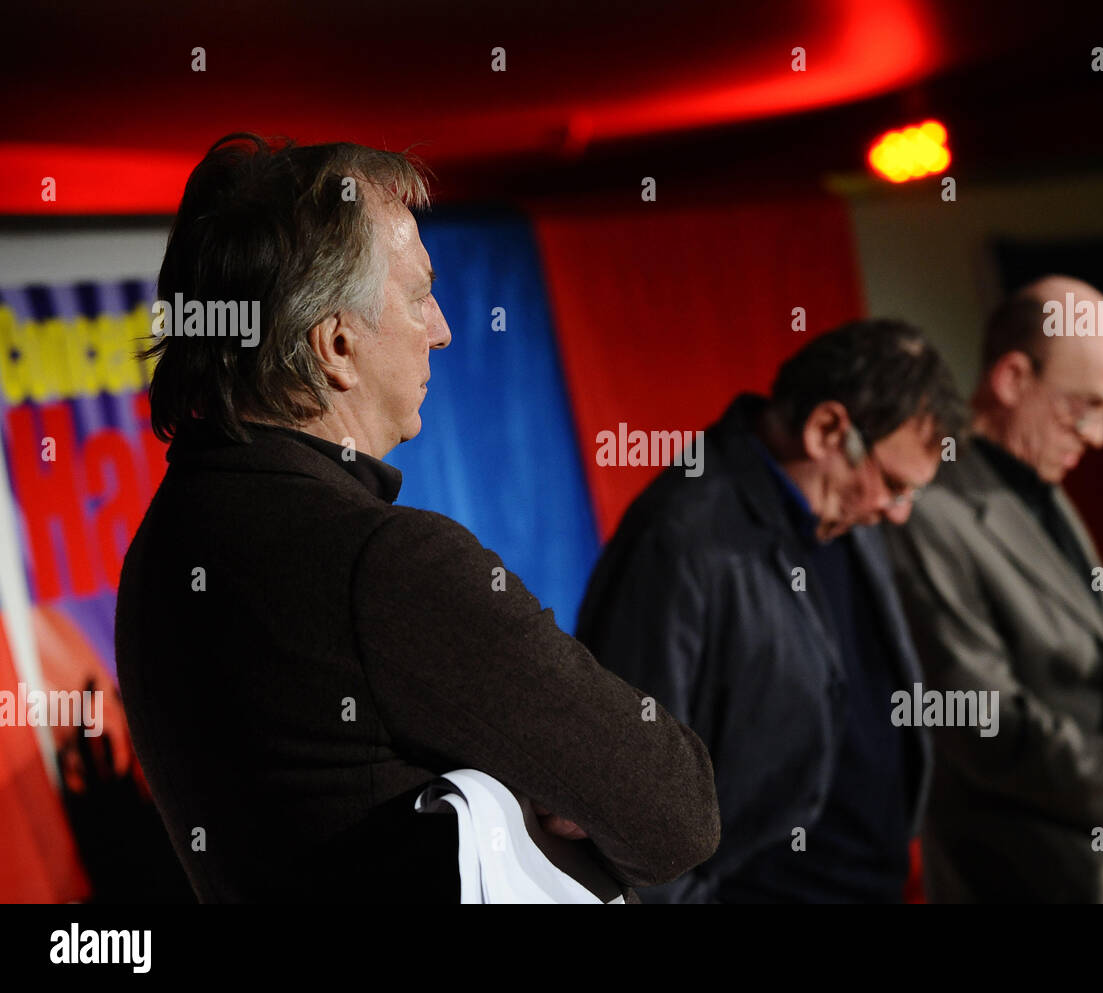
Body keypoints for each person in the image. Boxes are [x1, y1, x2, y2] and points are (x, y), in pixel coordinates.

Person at [114, 133, 719, 903]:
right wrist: (531, 800)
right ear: (337, 345)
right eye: (418, 294)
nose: (441, 328)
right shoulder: (382, 565)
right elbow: (675, 810)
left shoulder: (165, 544)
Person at [577, 320, 966, 902]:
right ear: (827, 430)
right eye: (892, 484)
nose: (898, 511)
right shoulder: (681, 535)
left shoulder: (840, 504)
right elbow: (627, 787)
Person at [885, 275, 1103, 903]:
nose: (1098, 436)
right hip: (1027, 879)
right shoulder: (925, 509)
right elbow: (982, 719)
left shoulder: (1041, 482)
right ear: (1011, 380)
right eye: (1084, 407)